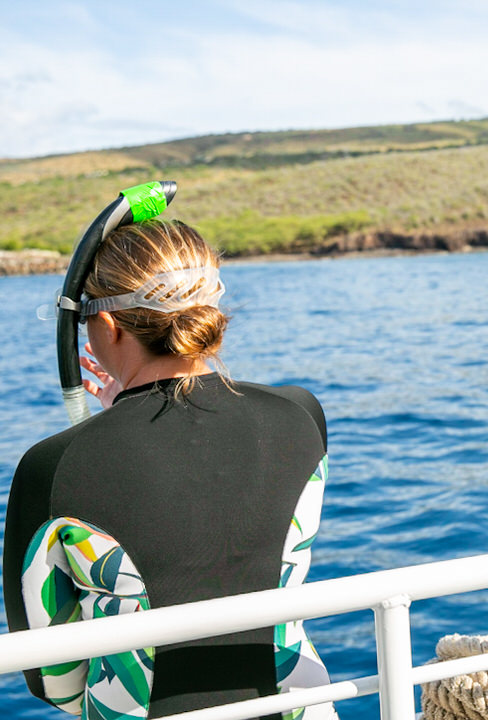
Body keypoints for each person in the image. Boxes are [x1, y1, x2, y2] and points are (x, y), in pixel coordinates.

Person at [3, 220, 338, 719]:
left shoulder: (52, 465)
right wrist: (132, 408)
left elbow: (50, 677)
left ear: (107, 325)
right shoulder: (300, 413)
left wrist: (121, 419)